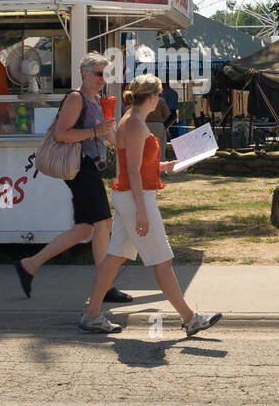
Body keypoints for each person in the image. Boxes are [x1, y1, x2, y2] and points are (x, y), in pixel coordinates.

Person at [79, 73, 222, 337]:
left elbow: (136, 164)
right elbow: (132, 170)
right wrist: (142, 212)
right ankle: (190, 319)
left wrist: (165, 166)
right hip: (136, 198)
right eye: (159, 95)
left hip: (129, 195)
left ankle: (92, 315)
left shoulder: (133, 120)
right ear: (154, 97)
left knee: (114, 258)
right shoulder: (135, 124)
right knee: (163, 261)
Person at [13, 53, 132, 304]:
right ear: (85, 74)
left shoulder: (98, 101)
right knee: (103, 223)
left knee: (83, 229)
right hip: (80, 166)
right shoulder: (76, 99)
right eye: (99, 74)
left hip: (88, 166)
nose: (103, 79)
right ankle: (105, 285)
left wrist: (134, 140)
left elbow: (113, 138)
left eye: (105, 74)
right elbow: (61, 134)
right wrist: (95, 131)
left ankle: (29, 265)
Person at [145, 79, 172, 159]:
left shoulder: (144, 100)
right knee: (160, 148)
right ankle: (161, 169)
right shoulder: (161, 100)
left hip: (145, 125)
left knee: (147, 148)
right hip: (158, 125)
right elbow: (167, 114)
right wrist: (161, 120)